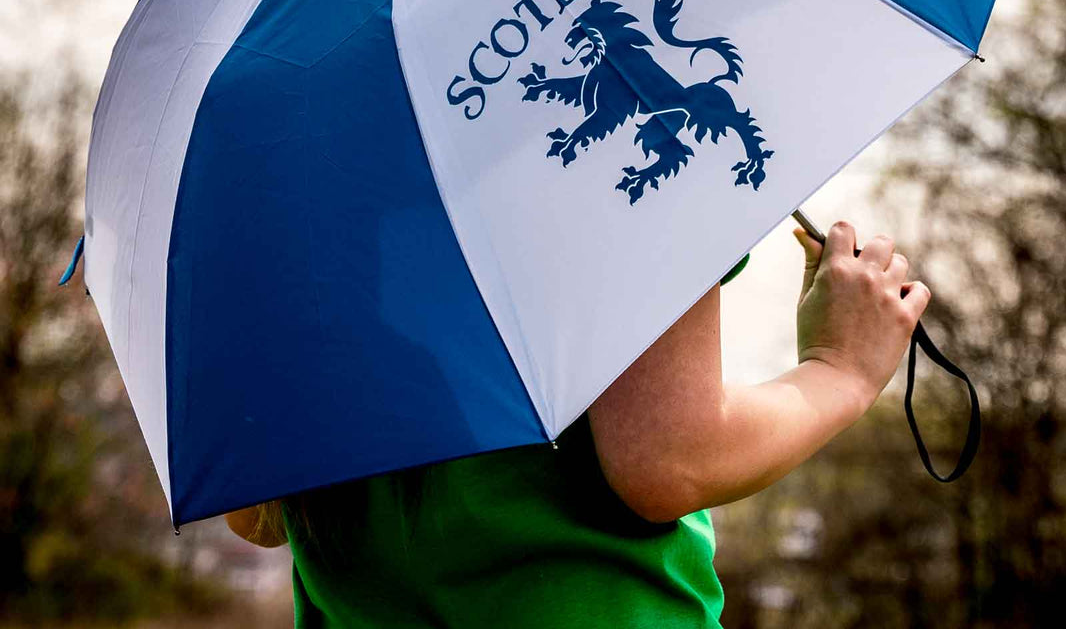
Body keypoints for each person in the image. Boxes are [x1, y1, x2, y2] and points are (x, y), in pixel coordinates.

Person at [225, 219, 930, 626]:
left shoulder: (276, 183)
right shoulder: (603, 120)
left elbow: (256, 515)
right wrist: (840, 369)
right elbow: (669, 456)